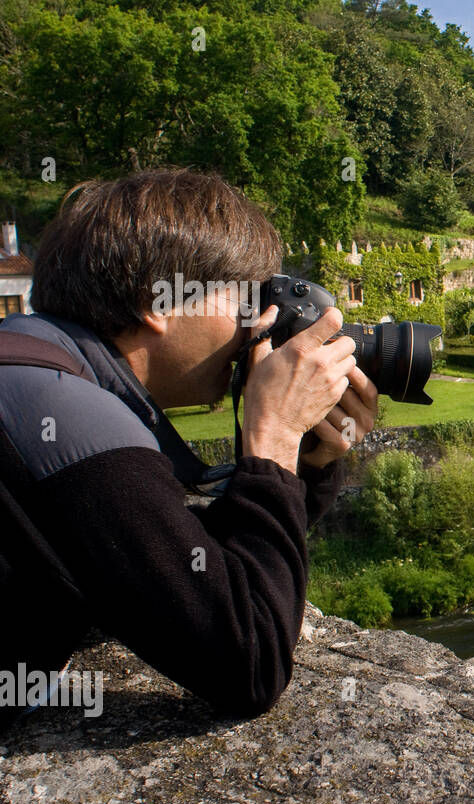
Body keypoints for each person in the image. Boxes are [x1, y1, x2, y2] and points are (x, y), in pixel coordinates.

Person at [0, 169, 378, 733]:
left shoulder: (37, 368)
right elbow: (247, 662)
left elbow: (178, 565)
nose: (257, 326)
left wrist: (304, 464)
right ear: (159, 299)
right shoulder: (69, 416)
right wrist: (272, 438)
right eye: (246, 298)